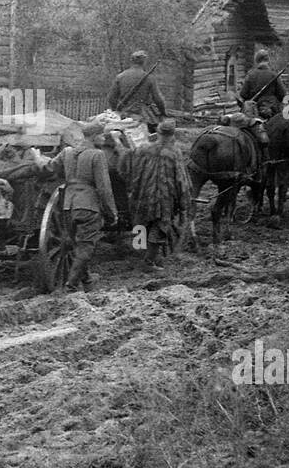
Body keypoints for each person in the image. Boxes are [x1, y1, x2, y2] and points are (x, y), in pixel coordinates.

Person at [47, 122, 118, 291]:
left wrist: (36, 158)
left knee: (76, 246)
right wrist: (112, 212)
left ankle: (86, 281)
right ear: (94, 137)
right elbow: (104, 187)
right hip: (88, 206)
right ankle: (71, 285)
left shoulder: (67, 152)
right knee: (86, 247)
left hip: (67, 206)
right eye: (102, 135)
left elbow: (49, 167)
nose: (103, 138)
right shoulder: (97, 155)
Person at [128, 119, 191, 268]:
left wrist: (134, 192)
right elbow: (181, 180)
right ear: (172, 135)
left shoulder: (143, 149)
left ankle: (140, 251)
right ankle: (148, 261)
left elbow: (134, 172)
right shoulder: (175, 153)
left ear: (158, 132)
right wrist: (184, 204)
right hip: (164, 198)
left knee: (141, 223)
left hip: (143, 194)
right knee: (160, 226)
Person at [108, 50, 168, 134]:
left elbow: (111, 98)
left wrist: (117, 111)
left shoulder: (120, 77)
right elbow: (158, 99)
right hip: (142, 116)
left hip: (123, 116)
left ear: (131, 61)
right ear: (144, 62)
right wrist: (163, 113)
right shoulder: (149, 78)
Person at [236, 48, 287, 120]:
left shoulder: (251, 75)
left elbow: (243, 94)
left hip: (254, 111)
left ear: (257, 61)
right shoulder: (273, 75)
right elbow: (282, 94)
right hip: (272, 112)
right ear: (268, 60)